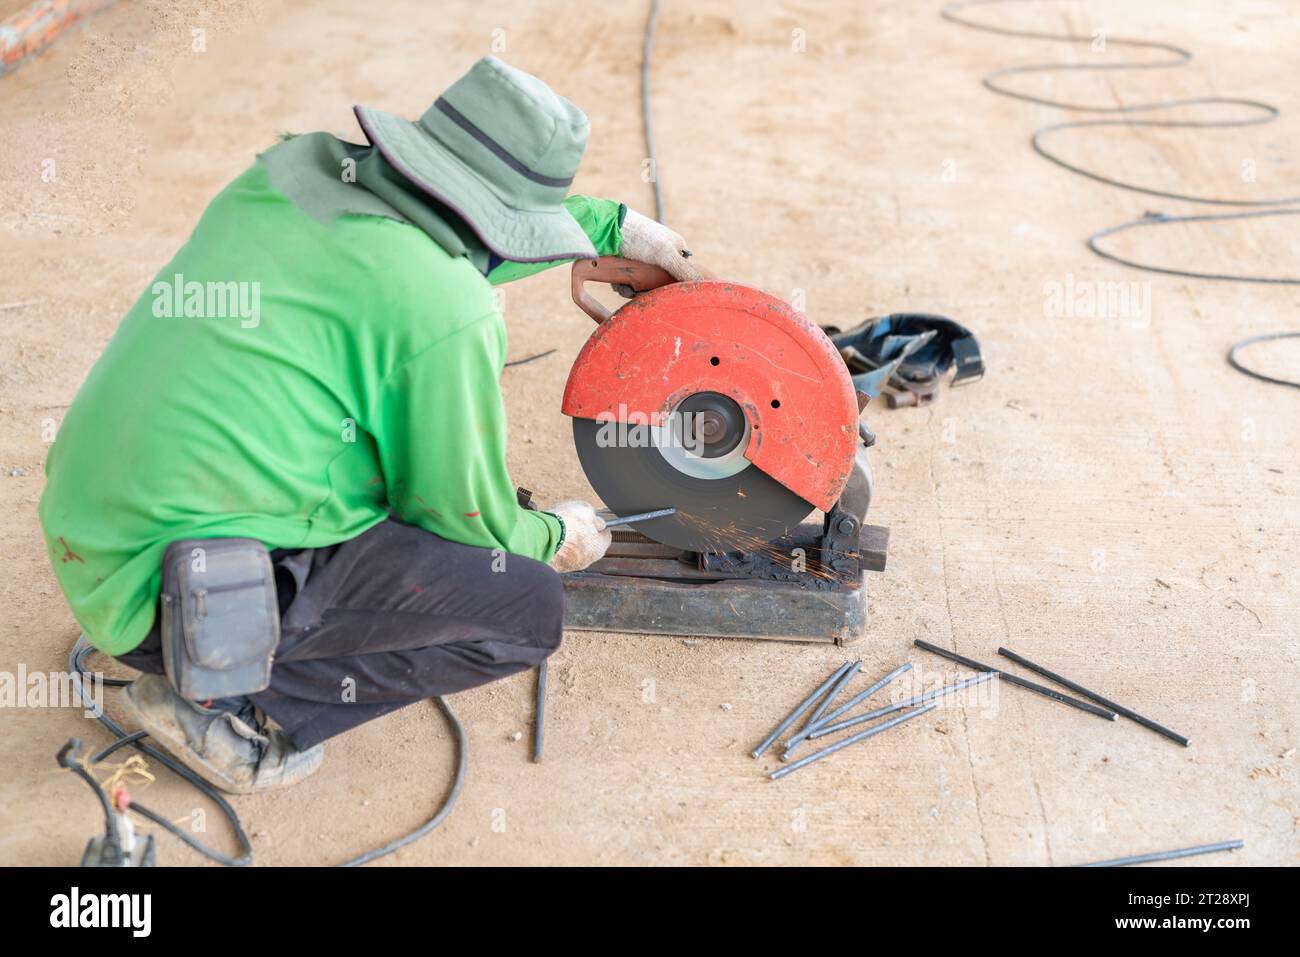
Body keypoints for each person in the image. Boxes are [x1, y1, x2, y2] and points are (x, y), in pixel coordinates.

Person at [38, 56, 702, 794]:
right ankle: (219, 700)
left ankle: (182, 650)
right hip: (177, 602)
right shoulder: (451, 313)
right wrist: (558, 536)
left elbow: (421, 250)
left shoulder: (291, 173)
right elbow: (464, 517)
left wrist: (604, 227)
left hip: (92, 533)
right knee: (525, 605)